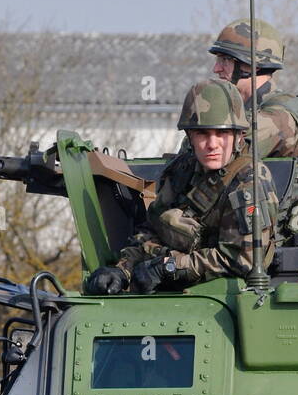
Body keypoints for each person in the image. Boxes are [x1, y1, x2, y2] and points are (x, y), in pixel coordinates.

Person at [85, 79, 277, 295]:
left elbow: (241, 259)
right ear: (190, 137)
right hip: (179, 287)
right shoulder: (181, 170)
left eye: (221, 133)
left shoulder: (249, 181)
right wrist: (122, 271)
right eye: (203, 134)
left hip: (225, 296)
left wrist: (169, 267)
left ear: (238, 136)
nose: (212, 144)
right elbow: (152, 229)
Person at [208, 17, 298, 234]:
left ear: (249, 65)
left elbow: (215, 158)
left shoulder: (275, 117)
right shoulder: (242, 111)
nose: (216, 68)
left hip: (267, 242)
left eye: (224, 60)